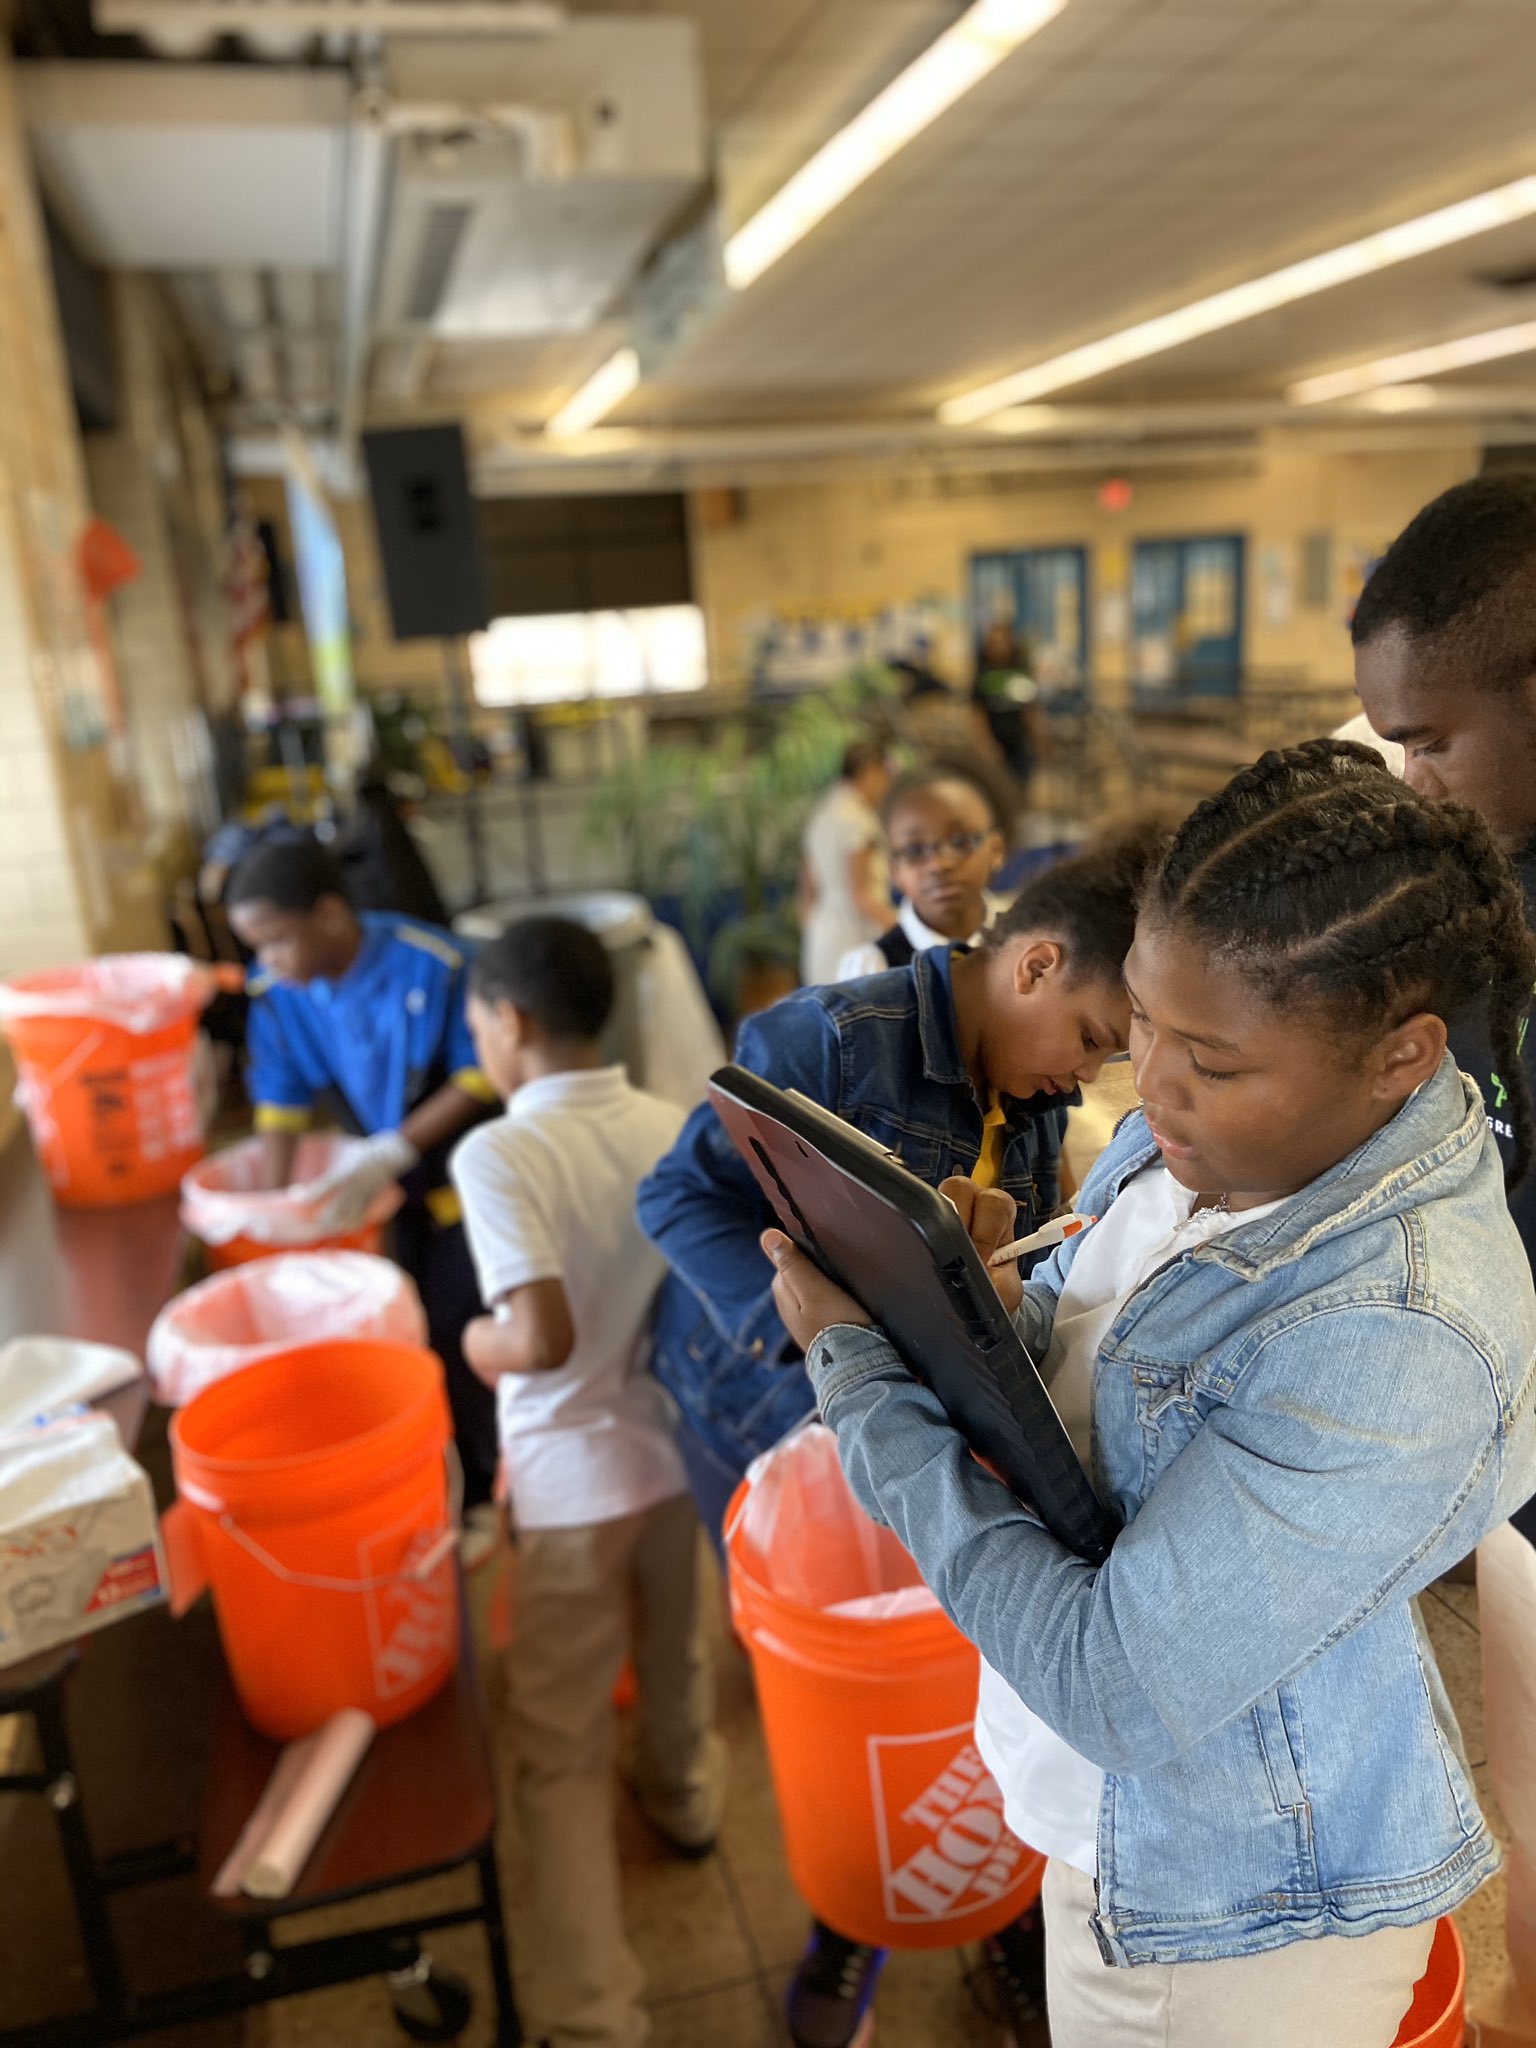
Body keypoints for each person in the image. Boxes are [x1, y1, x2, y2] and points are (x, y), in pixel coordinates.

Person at [766, 739, 1536, 2048]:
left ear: (1401, 1056)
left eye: (1212, 1062)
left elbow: (1113, 1684)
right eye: (1140, 1024)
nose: (1152, 1091)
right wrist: (993, 1317)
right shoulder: (1231, 1117)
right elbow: (1113, 1333)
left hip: (1224, 1925)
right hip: (1127, 1833)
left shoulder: (1404, 1333)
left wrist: (858, 1376)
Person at [638, 822, 1165, 2048]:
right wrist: (814, 1328)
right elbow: (677, 1196)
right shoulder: (830, 1037)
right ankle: (851, 1917)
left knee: (944, 1659)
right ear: (1035, 963)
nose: (1087, 1080)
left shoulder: (1026, 1102)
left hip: (900, 1413)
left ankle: (980, 1897)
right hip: (770, 1402)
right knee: (843, 1676)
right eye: (1094, 1037)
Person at [450, 916, 723, 2048]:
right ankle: (689, 1797)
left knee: (557, 1747)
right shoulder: (668, 1124)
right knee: (676, 1648)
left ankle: (590, 2014)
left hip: (568, 1489)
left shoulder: (500, 1150)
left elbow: (540, 1331)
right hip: (672, 1460)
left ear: (509, 1021)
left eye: (479, 1024)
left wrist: (475, 1343)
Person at [1351, 474, 1536, 2046]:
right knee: (1527, 1797)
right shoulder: (1479, 906)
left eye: (1432, 740)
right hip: (1527, 1472)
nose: (1413, 779)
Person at [225, 835, 500, 1506]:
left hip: (463, 1192)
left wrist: (393, 1149)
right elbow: (281, 1099)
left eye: (278, 941)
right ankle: (446, 1480)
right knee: (406, 1337)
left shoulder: (434, 965)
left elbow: (482, 1073)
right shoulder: (279, 992)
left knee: (459, 1332)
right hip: (389, 1199)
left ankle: (487, 1493)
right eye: (256, 948)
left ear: (329, 915)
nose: (267, 963)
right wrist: (277, 1206)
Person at [834, 762, 1008, 980]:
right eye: (914, 850)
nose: (939, 865)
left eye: (960, 841)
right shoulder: (872, 969)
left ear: (996, 850)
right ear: (894, 869)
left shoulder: (1026, 940)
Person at [800, 740, 895, 985]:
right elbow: (861, 896)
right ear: (870, 771)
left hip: (821, 935)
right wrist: (904, 929)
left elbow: (807, 889)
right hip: (853, 936)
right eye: (885, 774)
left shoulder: (822, 814)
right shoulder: (858, 823)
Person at [972, 620, 1045, 788]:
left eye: (1003, 642)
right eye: (995, 642)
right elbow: (977, 713)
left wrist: (1039, 738)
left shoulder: (1020, 671)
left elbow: (1030, 709)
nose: (999, 647)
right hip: (995, 741)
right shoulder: (984, 675)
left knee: (1022, 785)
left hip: (1019, 740)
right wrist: (985, 744)